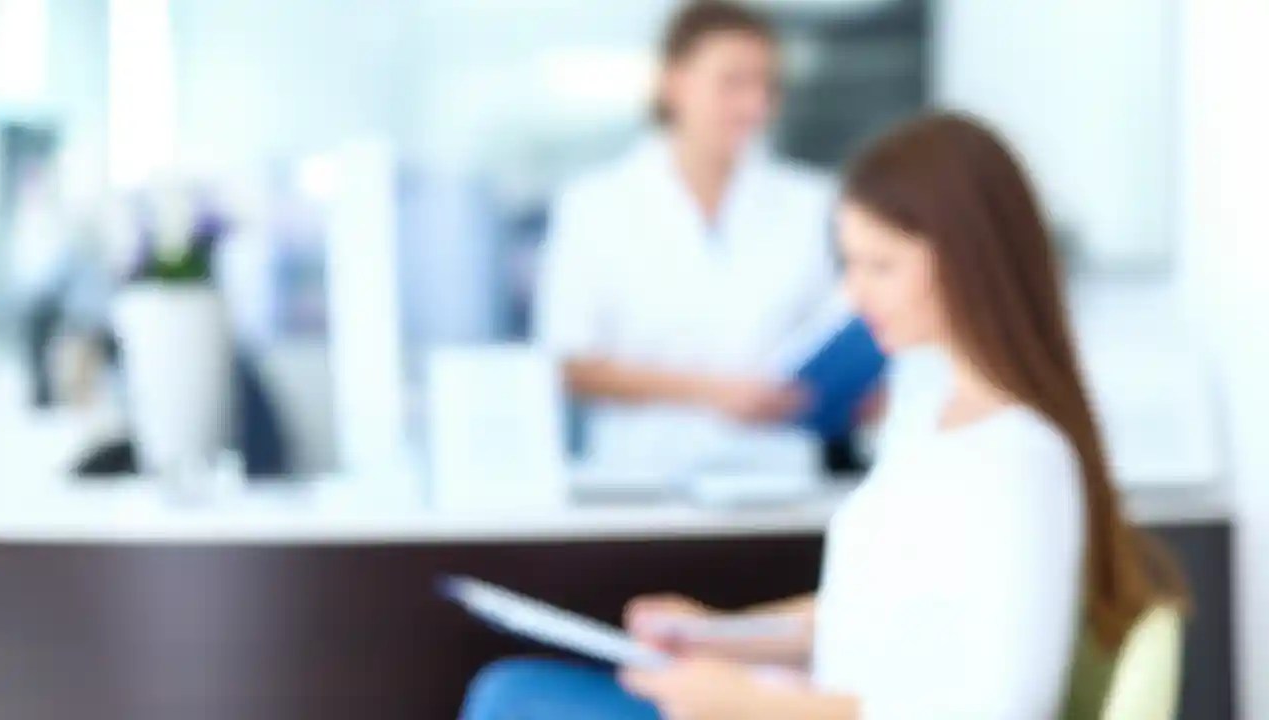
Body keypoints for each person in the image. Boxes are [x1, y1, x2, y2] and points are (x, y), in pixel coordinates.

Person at [461, 112, 1188, 719]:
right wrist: (720, 636)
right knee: (512, 695)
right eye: (851, 264)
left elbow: (994, 708)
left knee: (511, 702)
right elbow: (866, 615)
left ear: (965, 259)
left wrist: (750, 702)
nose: (854, 293)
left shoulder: (1021, 460)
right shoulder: (932, 418)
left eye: (880, 266)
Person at [534, 0, 855, 477]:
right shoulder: (595, 205)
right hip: (643, 481)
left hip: (780, 478)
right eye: (732, 83)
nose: (755, 105)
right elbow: (569, 363)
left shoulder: (810, 202)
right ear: (673, 82)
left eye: (766, 84)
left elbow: (832, 329)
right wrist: (715, 393)